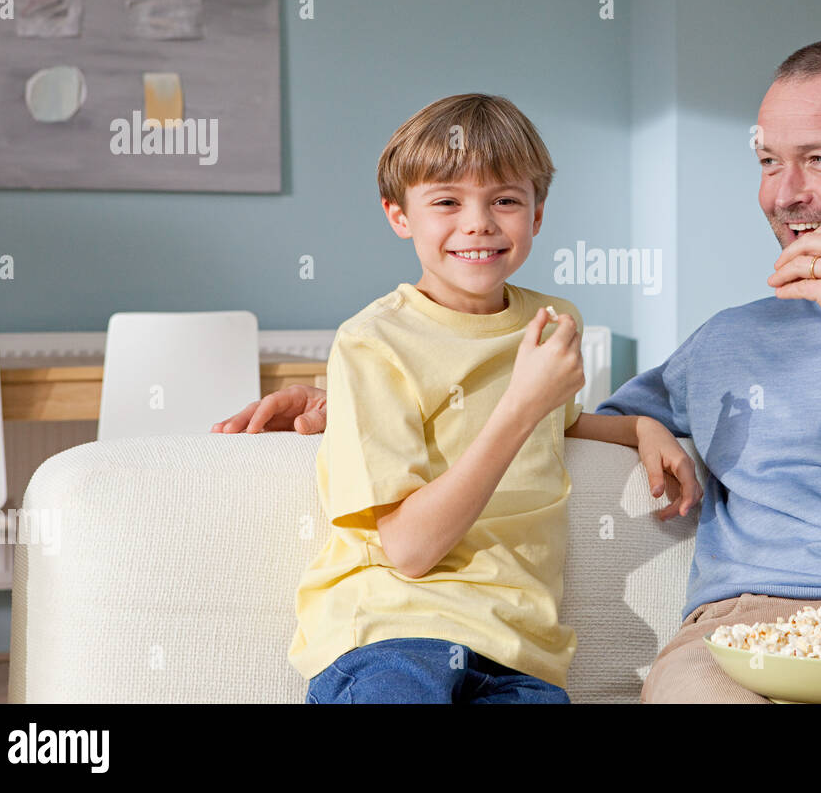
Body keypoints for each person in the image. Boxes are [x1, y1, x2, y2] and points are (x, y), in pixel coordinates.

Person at [218, 37, 821, 705]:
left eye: (815, 158)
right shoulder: (733, 337)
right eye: (767, 160)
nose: (783, 193)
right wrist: (352, 401)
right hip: (735, 642)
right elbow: (556, 415)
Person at [270, 92, 701, 704]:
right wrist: (523, 403)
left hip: (519, 653)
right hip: (393, 634)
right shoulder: (373, 343)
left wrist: (639, 429)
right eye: (446, 201)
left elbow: (560, 423)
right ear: (399, 215)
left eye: (505, 200)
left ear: (538, 214)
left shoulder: (551, 323)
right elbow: (411, 550)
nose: (479, 223)